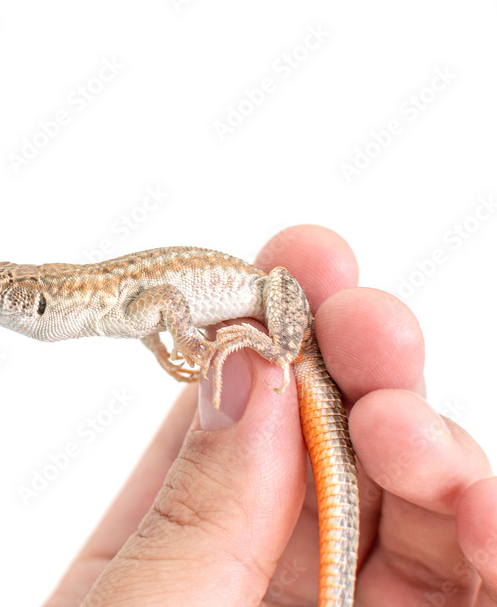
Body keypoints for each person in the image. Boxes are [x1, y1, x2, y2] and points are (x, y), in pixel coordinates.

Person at [44, 225, 497, 606]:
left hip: (281, 310)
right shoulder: (107, 304)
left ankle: (278, 348)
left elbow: (168, 300)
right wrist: (164, 347)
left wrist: (195, 344)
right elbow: (151, 314)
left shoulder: (106, 295)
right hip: (279, 323)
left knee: (298, 283)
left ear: (40, 298)